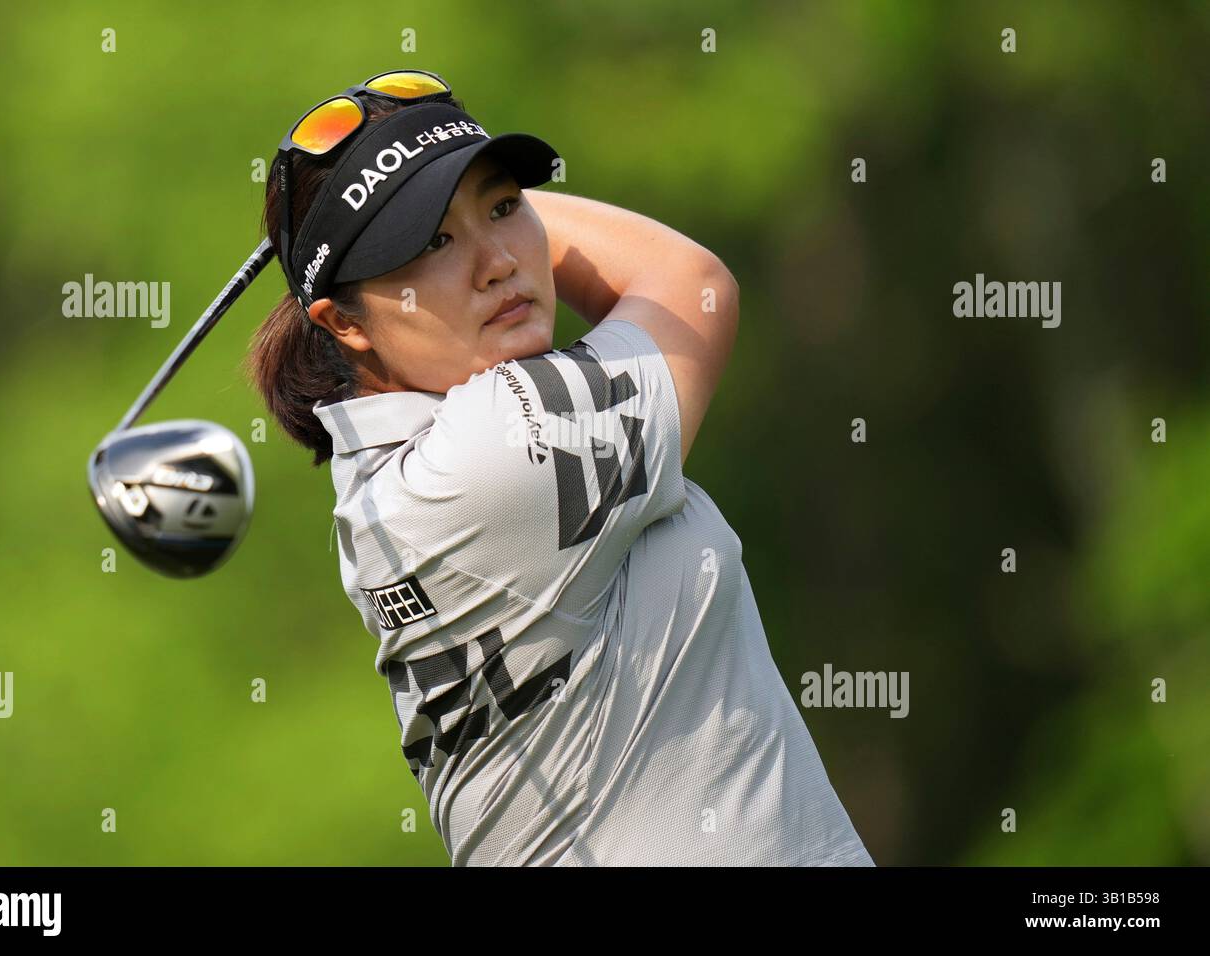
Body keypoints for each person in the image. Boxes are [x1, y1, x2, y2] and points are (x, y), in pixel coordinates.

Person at [246, 70, 873, 866]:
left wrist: (403, 191)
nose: (498, 264)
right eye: (433, 244)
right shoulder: (496, 452)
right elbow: (692, 287)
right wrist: (447, 184)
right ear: (346, 323)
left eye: (506, 206)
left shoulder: (392, 482)